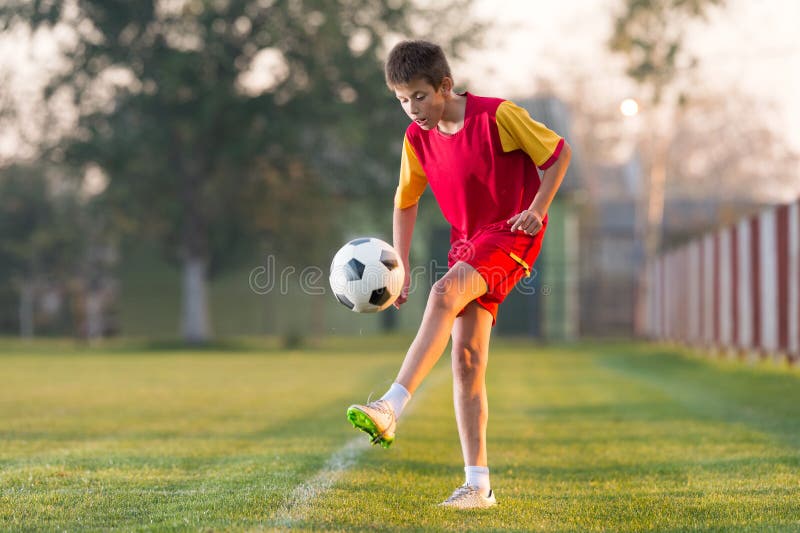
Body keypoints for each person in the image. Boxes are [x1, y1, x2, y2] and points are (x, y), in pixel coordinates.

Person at [346, 40, 571, 509]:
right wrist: (401, 265)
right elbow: (405, 201)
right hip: (469, 244)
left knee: (443, 293)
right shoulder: (416, 140)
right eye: (402, 100)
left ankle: (389, 406)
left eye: (420, 97)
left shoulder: (498, 116)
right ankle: (479, 485)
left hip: (511, 233)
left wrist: (536, 210)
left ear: (445, 86)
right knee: (466, 359)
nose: (412, 109)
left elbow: (558, 155)